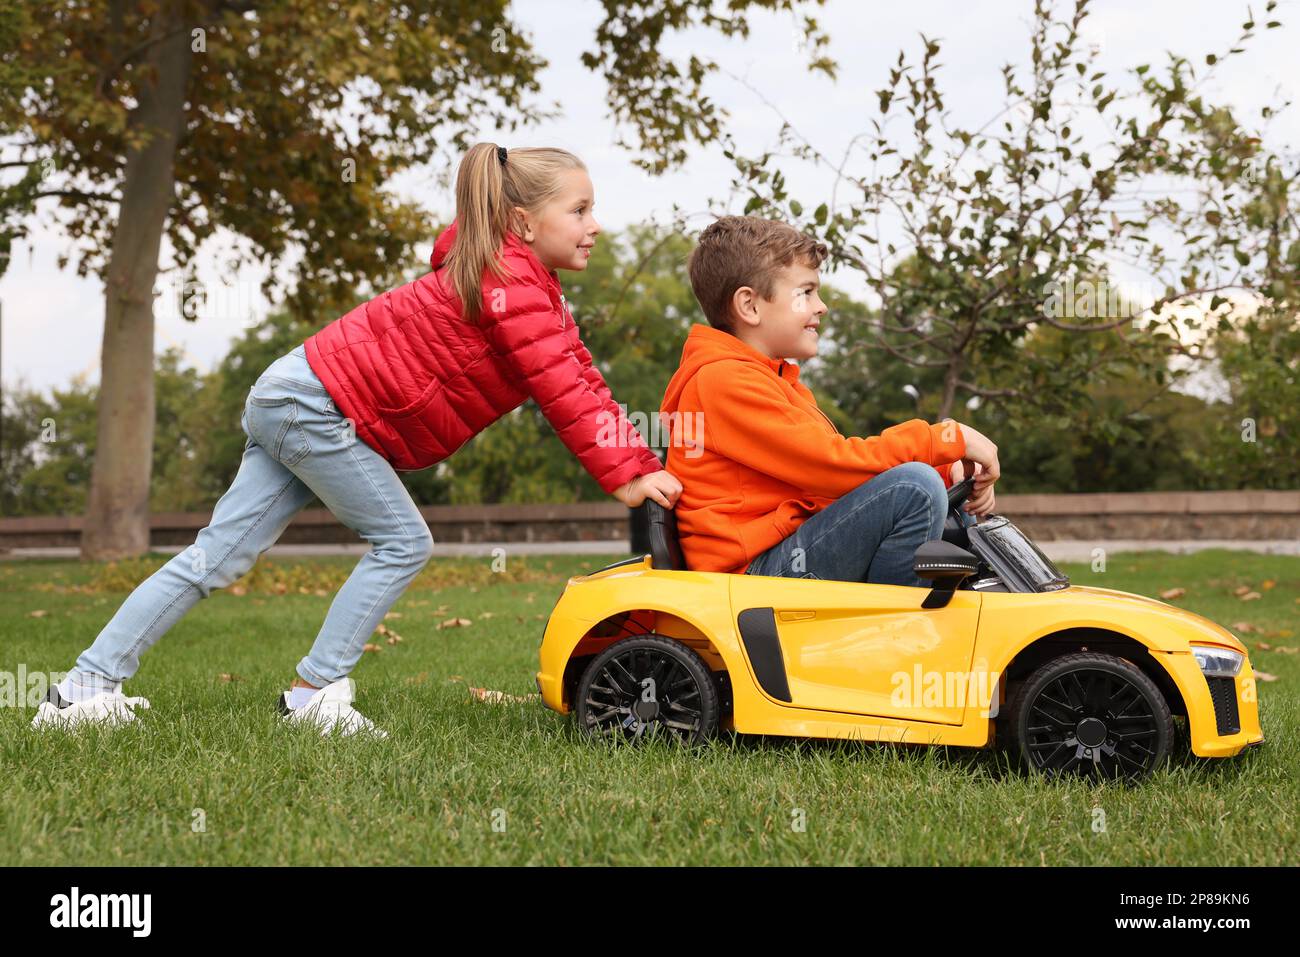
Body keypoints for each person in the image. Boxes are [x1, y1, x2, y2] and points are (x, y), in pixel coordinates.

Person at [34, 144, 681, 736]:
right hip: (314, 407)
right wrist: (626, 474)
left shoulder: (524, 285)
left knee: (218, 556)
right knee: (402, 541)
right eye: (581, 209)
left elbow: (581, 377)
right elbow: (563, 386)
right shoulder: (509, 281)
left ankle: (82, 691)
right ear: (522, 223)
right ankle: (315, 694)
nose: (596, 224)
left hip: (295, 395)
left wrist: (642, 461)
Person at [659, 215, 999, 583]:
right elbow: (834, 467)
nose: (821, 306)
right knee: (914, 487)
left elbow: (836, 477)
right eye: (806, 292)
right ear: (750, 306)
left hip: (780, 556)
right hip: (753, 576)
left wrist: (949, 472)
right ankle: (893, 632)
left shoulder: (769, 378)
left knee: (925, 483)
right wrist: (945, 439)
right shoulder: (724, 381)